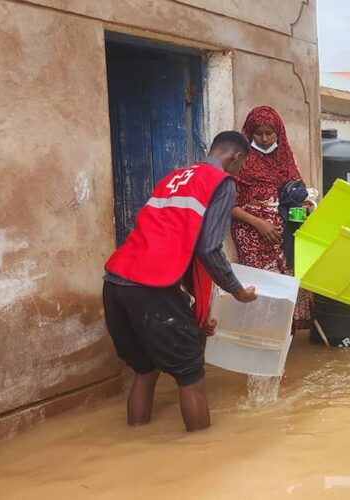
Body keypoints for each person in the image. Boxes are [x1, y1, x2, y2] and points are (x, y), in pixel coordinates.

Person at [103, 131, 258, 432]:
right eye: (241, 166)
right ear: (235, 157)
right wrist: (237, 290)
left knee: (145, 370)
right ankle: (202, 457)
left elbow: (173, 242)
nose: (239, 173)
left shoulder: (173, 178)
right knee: (191, 373)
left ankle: (134, 440)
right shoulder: (221, 182)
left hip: (116, 281)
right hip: (152, 285)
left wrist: (198, 315)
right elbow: (209, 247)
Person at [231, 106, 313, 330]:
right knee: (262, 288)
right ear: (249, 133)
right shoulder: (240, 160)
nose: (265, 139)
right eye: (259, 133)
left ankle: (285, 340)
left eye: (270, 133)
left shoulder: (286, 157)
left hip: (284, 234)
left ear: (279, 133)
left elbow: (297, 191)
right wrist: (259, 223)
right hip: (252, 236)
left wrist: (304, 210)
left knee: (287, 284)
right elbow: (228, 204)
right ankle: (261, 335)